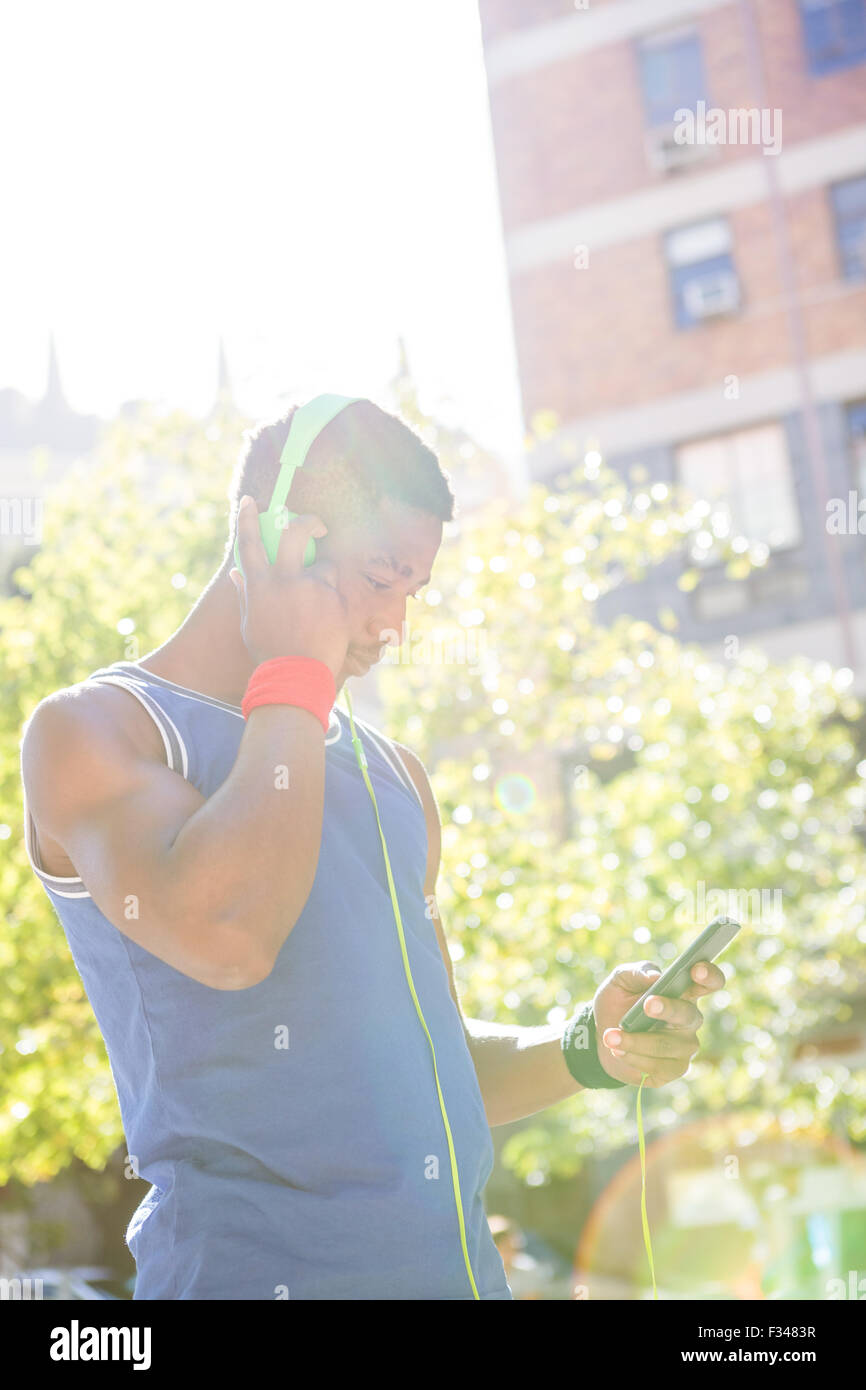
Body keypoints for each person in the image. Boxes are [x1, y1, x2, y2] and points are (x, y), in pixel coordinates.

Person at [19, 397, 725, 1300]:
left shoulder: (394, 777)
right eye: (378, 579)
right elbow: (231, 938)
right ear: (269, 536)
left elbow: (429, 1065)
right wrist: (296, 675)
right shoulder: (99, 732)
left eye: (413, 594)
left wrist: (590, 1046)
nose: (396, 629)